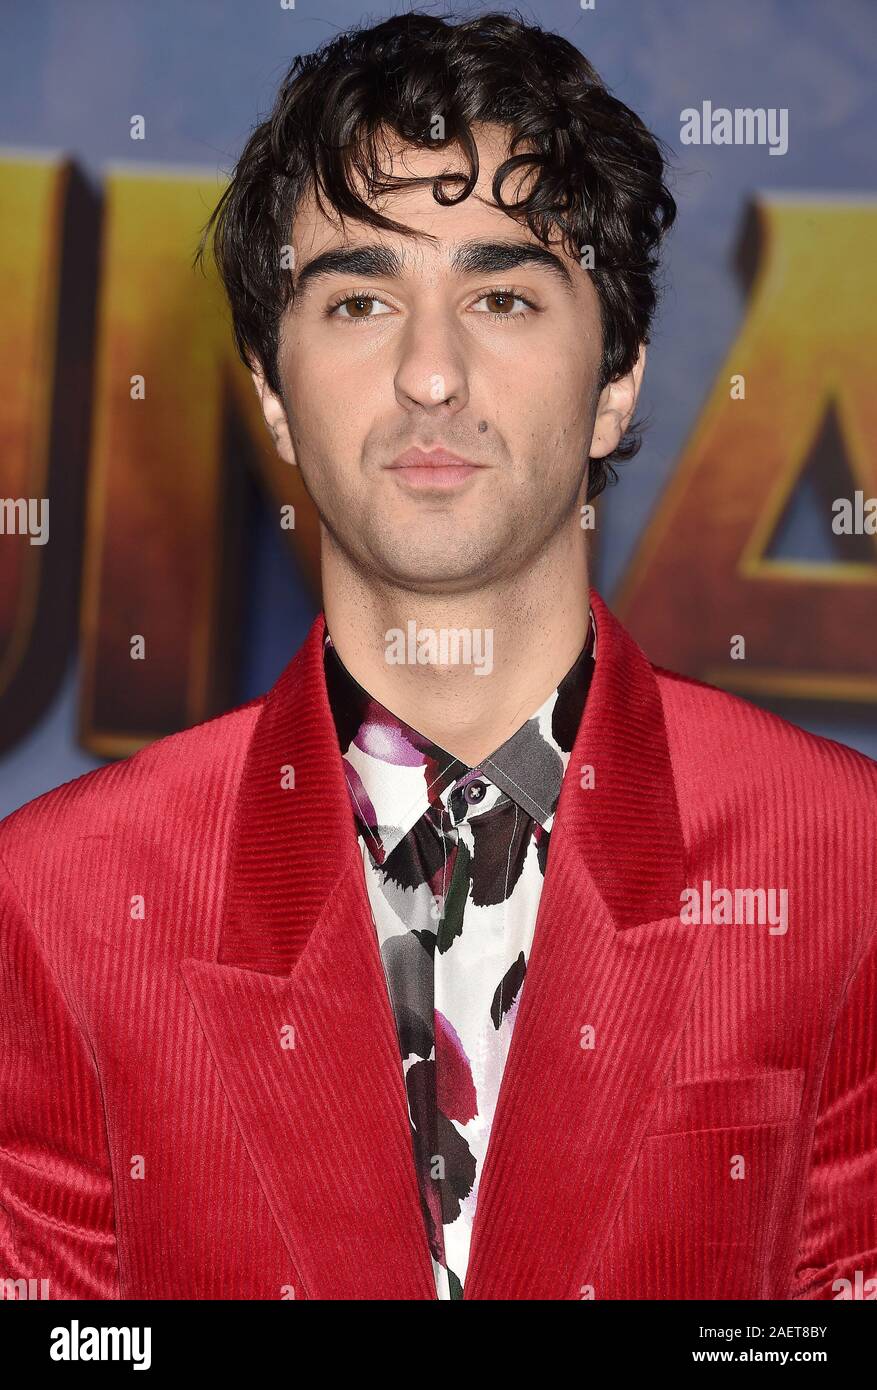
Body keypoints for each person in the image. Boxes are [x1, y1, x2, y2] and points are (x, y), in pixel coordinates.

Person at [1, 11, 874, 1301]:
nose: (429, 372)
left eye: (503, 294)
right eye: (360, 299)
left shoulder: (840, 863)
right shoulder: (60, 901)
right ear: (273, 391)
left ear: (619, 376)